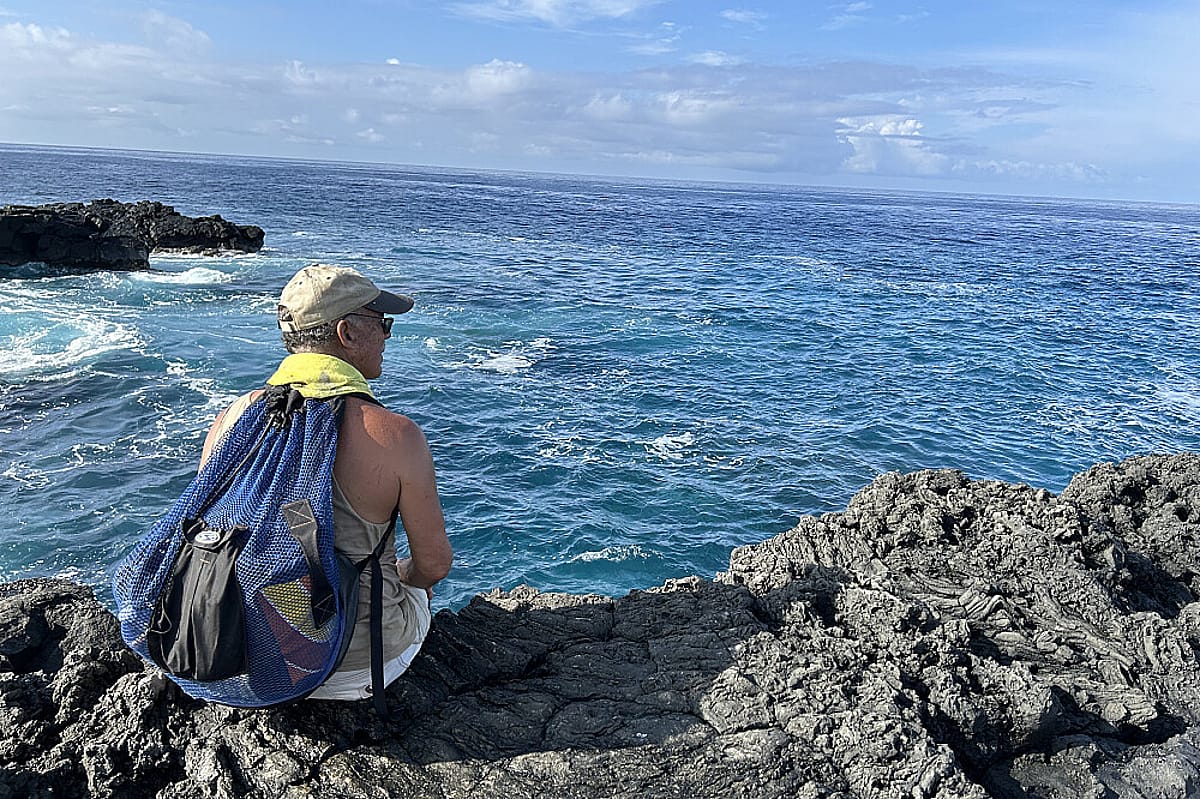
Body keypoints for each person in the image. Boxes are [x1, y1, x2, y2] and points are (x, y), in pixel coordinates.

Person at [199, 263, 452, 701]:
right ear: (347, 333)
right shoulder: (395, 435)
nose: (388, 336)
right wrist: (407, 577)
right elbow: (434, 565)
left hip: (251, 661)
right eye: (383, 324)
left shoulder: (232, 418)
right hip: (358, 671)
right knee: (419, 590)